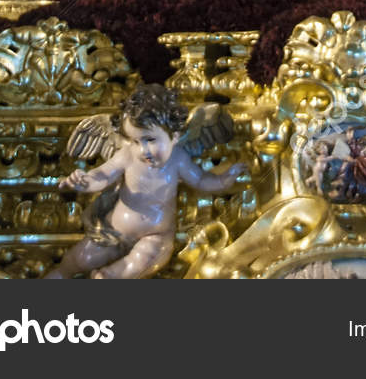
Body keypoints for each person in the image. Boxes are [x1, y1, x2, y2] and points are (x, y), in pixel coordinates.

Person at [49, 85, 247, 280]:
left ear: (174, 136)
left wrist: (224, 179)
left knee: (135, 265)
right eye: (136, 141)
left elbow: (201, 180)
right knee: (80, 258)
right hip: (115, 230)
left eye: (150, 140)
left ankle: (106, 277)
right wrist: (85, 181)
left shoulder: (178, 159)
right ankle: (57, 275)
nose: (143, 150)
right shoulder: (128, 154)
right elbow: (104, 175)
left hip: (155, 236)